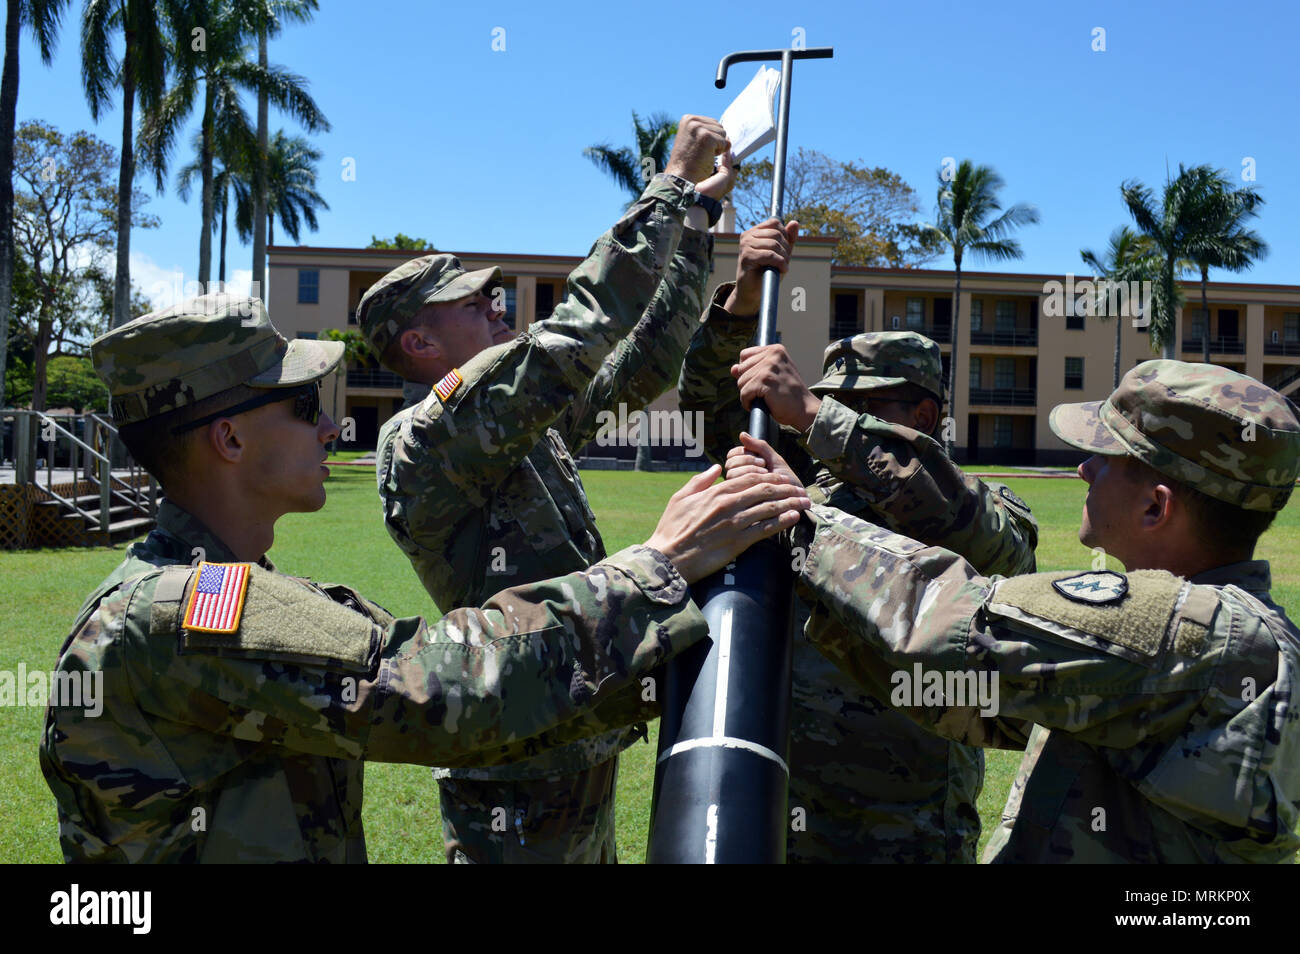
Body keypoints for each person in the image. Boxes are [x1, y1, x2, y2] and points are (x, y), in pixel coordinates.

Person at [38, 293, 810, 863]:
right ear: (230, 438)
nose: (332, 425)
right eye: (304, 405)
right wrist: (659, 568)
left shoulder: (218, 591)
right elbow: (438, 685)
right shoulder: (182, 613)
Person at [739, 359, 1300, 862]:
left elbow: (948, 624)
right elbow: (976, 701)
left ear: (1156, 506)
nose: (1084, 469)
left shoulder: (1179, 628)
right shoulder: (1248, 635)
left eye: (1106, 456)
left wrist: (800, 518)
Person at [358, 115, 735, 863]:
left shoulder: (517, 422)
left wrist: (695, 229)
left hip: (577, 731)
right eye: (474, 304)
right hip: (514, 765)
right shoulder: (424, 440)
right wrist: (668, 186)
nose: (498, 307)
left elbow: (643, 363)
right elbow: (579, 334)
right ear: (420, 343)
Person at [678, 220, 1038, 863]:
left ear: (923, 417)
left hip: (904, 822)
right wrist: (741, 300)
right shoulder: (809, 478)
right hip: (785, 796)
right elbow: (717, 410)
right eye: (826, 401)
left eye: (857, 406)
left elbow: (972, 531)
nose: (819, 416)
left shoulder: (972, 504)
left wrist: (816, 416)